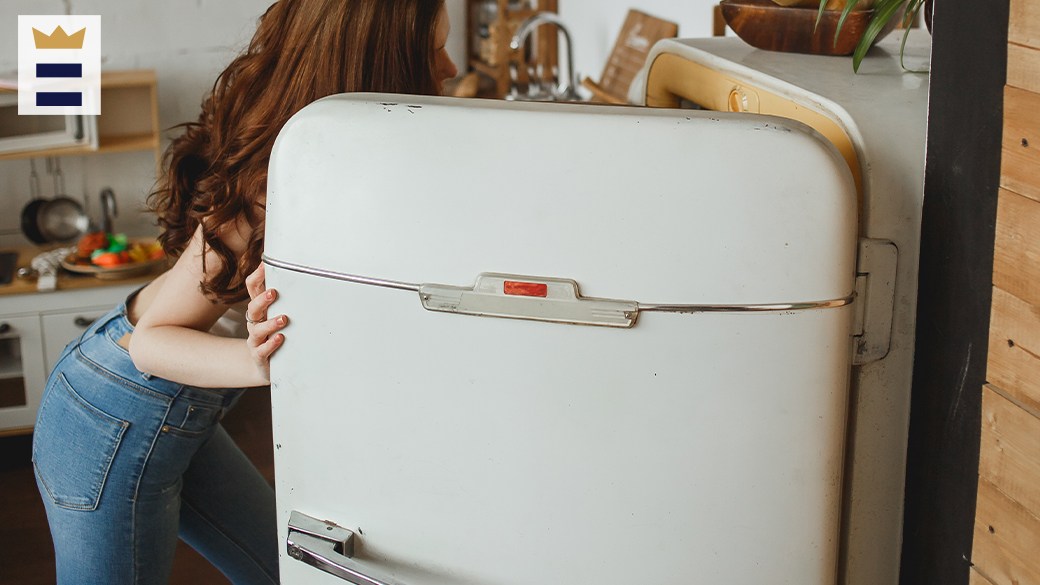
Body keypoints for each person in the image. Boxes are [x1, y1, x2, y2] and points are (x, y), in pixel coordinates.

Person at [30, 1, 458, 583]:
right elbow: (150, 343)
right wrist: (263, 360)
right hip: (110, 411)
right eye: (435, 50)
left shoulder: (335, 167)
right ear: (384, 63)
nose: (451, 66)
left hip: (174, 414)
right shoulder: (268, 187)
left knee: (282, 574)